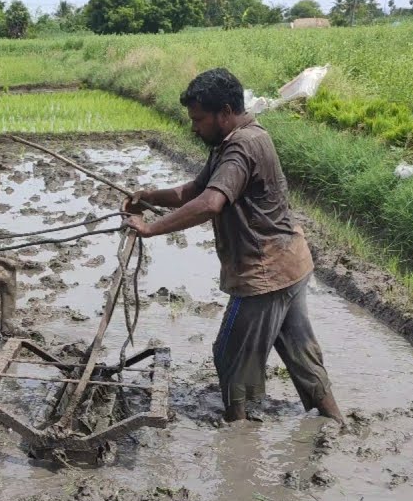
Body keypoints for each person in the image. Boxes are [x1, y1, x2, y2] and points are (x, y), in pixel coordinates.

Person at [122, 67, 344, 425]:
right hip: (290, 263)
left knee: (229, 355)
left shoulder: (241, 147)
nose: (194, 127)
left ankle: (237, 433)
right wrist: (148, 196)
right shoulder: (234, 139)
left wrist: (149, 229)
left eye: (199, 119)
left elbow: (210, 203)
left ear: (224, 112)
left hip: (264, 272)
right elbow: (194, 192)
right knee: (301, 354)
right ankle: (335, 422)